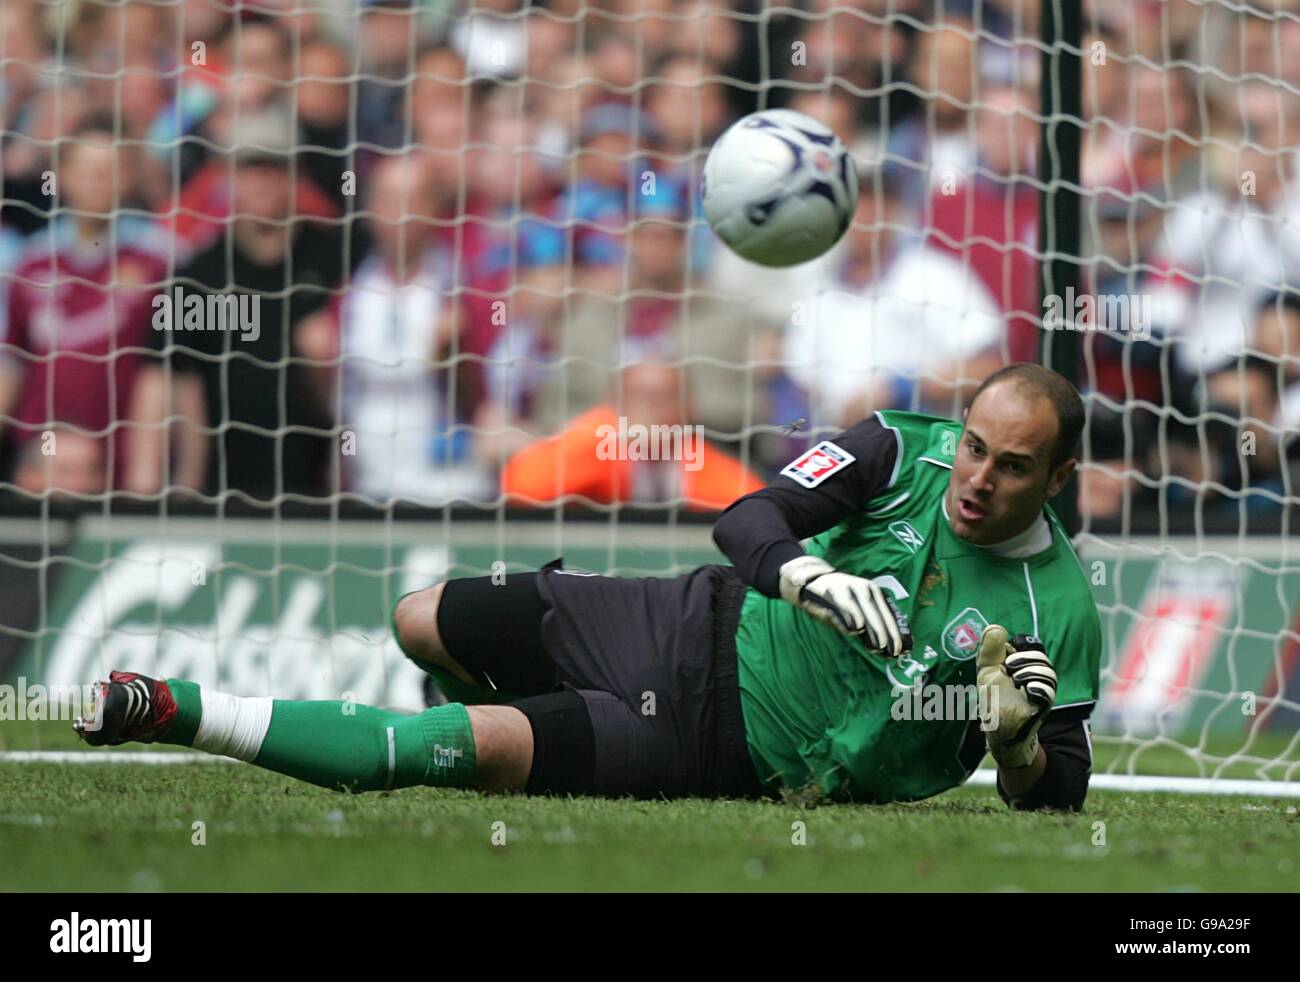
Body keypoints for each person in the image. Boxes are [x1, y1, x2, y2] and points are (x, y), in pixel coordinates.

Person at [76, 364, 1100, 812]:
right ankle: (500, 705)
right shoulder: (896, 447)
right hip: (689, 616)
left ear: (1055, 480)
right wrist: (813, 578)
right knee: (420, 617)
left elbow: (1056, 791)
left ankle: (164, 706)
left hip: (715, 747)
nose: (977, 477)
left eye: (1011, 467)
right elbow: (748, 519)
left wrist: (1013, 749)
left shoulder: (1060, 609)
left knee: (451, 753)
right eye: (973, 447)